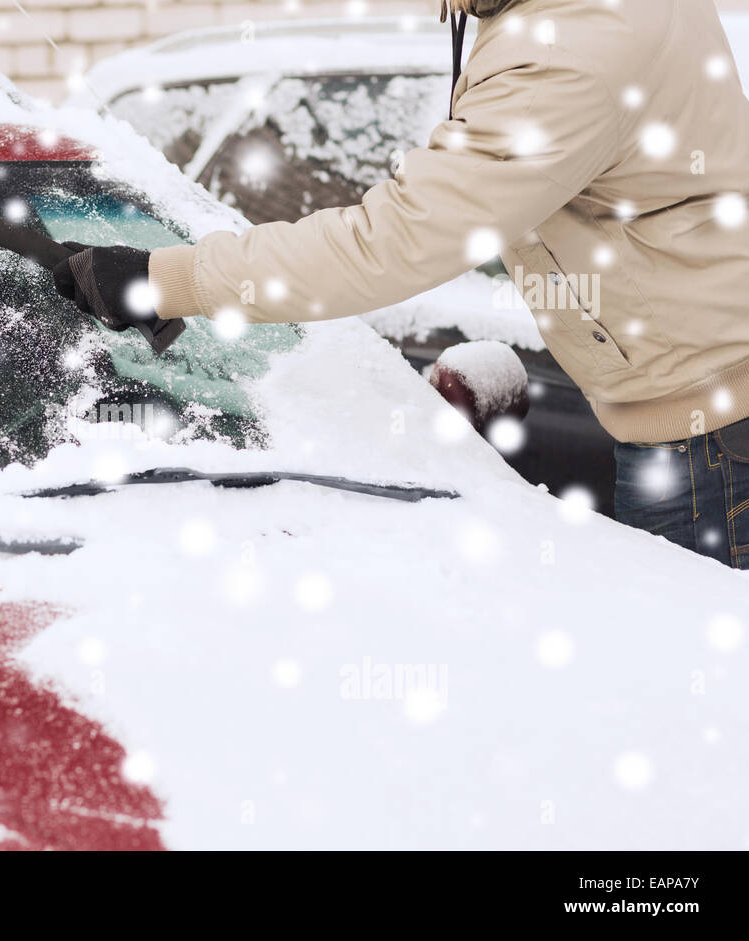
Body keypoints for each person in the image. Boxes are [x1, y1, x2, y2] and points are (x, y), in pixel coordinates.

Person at [53, 0, 749, 569]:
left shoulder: (570, 45)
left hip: (705, 439)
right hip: (701, 403)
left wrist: (163, 277)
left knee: (705, 705)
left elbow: (395, 241)